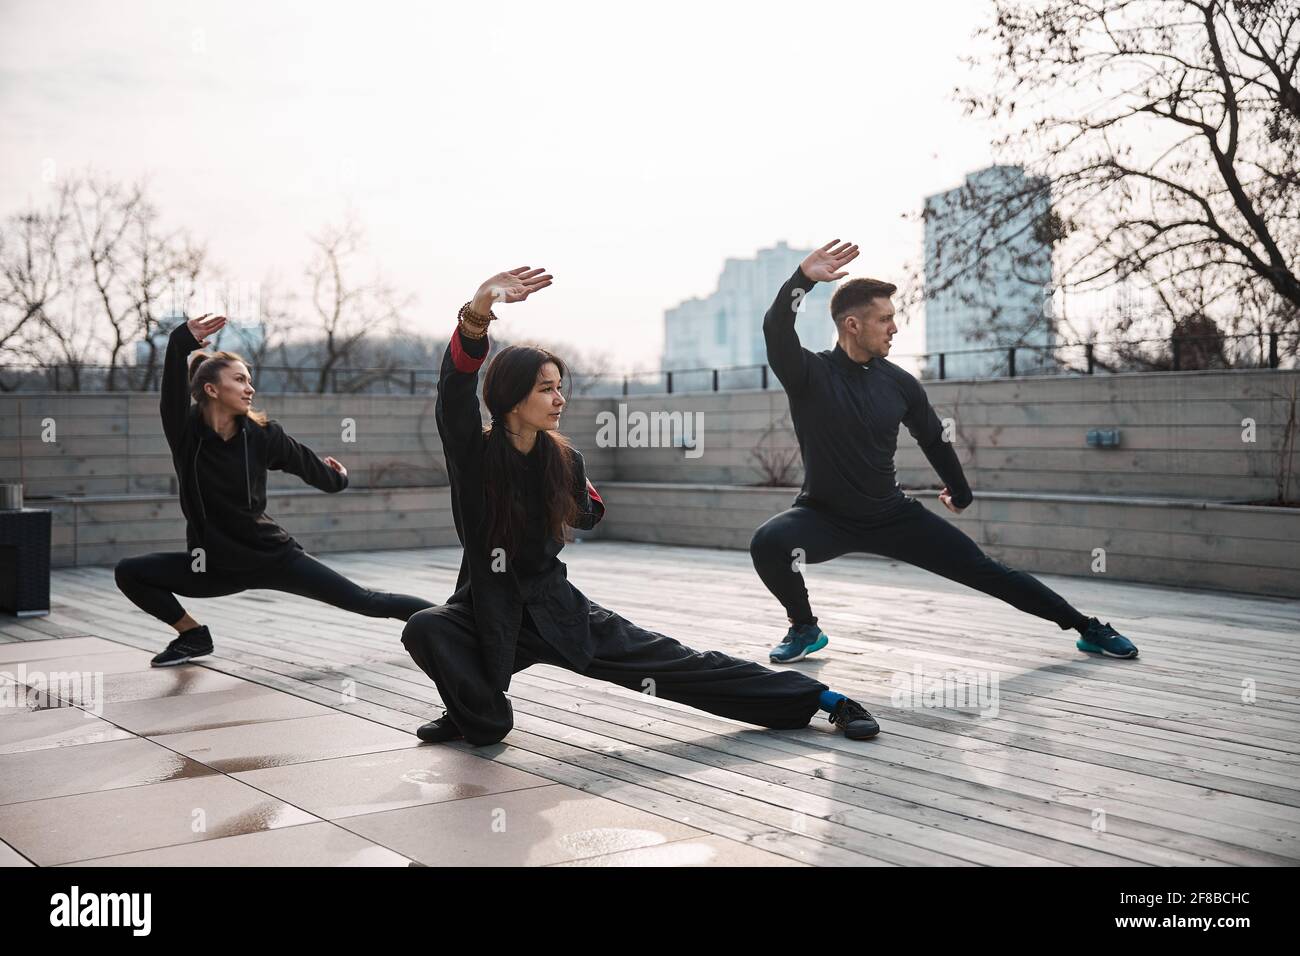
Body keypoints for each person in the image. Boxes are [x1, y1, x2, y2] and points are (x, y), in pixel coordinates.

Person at [401, 265, 881, 744]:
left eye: (559, 388)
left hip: (556, 611)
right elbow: (454, 391)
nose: (559, 399)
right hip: (484, 607)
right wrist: (479, 311)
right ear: (510, 396)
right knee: (427, 628)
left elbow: (586, 515)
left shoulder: (564, 459)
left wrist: (575, 492)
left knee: (674, 662)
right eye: (546, 389)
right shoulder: (474, 454)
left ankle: (825, 699)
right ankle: (477, 715)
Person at [750, 239, 1139, 671]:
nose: (894, 328)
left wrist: (959, 489)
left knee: (985, 570)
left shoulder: (900, 383)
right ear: (853, 325)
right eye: (885, 319)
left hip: (892, 516)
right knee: (769, 542)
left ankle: (1086, 627)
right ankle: (804, 627)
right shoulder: (808, 375)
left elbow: (933, 438)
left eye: (894, 319)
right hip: (824, 517)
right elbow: (776, 330)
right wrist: (802, 280)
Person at [115, 313, 435, 667]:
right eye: (239, 380)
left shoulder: (264, 435)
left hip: (272, 557)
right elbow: (171, 394)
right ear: (211, 389)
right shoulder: (187, 434)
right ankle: (193, 635)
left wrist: (338, 477)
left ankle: (451, 624)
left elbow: (313, 469)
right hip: (213, 564)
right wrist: (179, 342)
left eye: (250, 380)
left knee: (367, 600)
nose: (250, 388)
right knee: (130, 571)